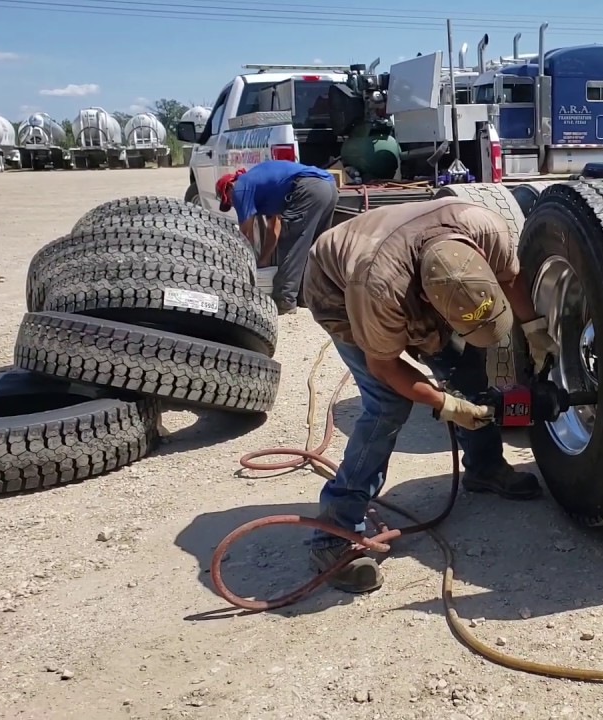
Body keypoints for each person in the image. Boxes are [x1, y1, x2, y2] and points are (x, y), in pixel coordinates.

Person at [301, 196, 559, 593]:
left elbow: (510, 279)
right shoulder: (379, 289)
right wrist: (446, 405)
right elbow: (384, 367)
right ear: (426, 301)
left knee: (468, 369)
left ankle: (484, 467)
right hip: (340, 286)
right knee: (387, 404)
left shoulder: (487, 230)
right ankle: (334, 535)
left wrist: (534, 329)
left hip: (401, 259)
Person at [215, 159, 339, 313]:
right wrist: (264, 259)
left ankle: (284, 300)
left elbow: (245, 236)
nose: (233, 205)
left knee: (292, 244)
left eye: (229, 201)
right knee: (313, 247)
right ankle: (306, 297)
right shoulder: (262, 186)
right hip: (329, 187)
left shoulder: (240, 188)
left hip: (308, 188)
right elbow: (273, 228)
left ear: (229, 187)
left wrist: (244, 266)